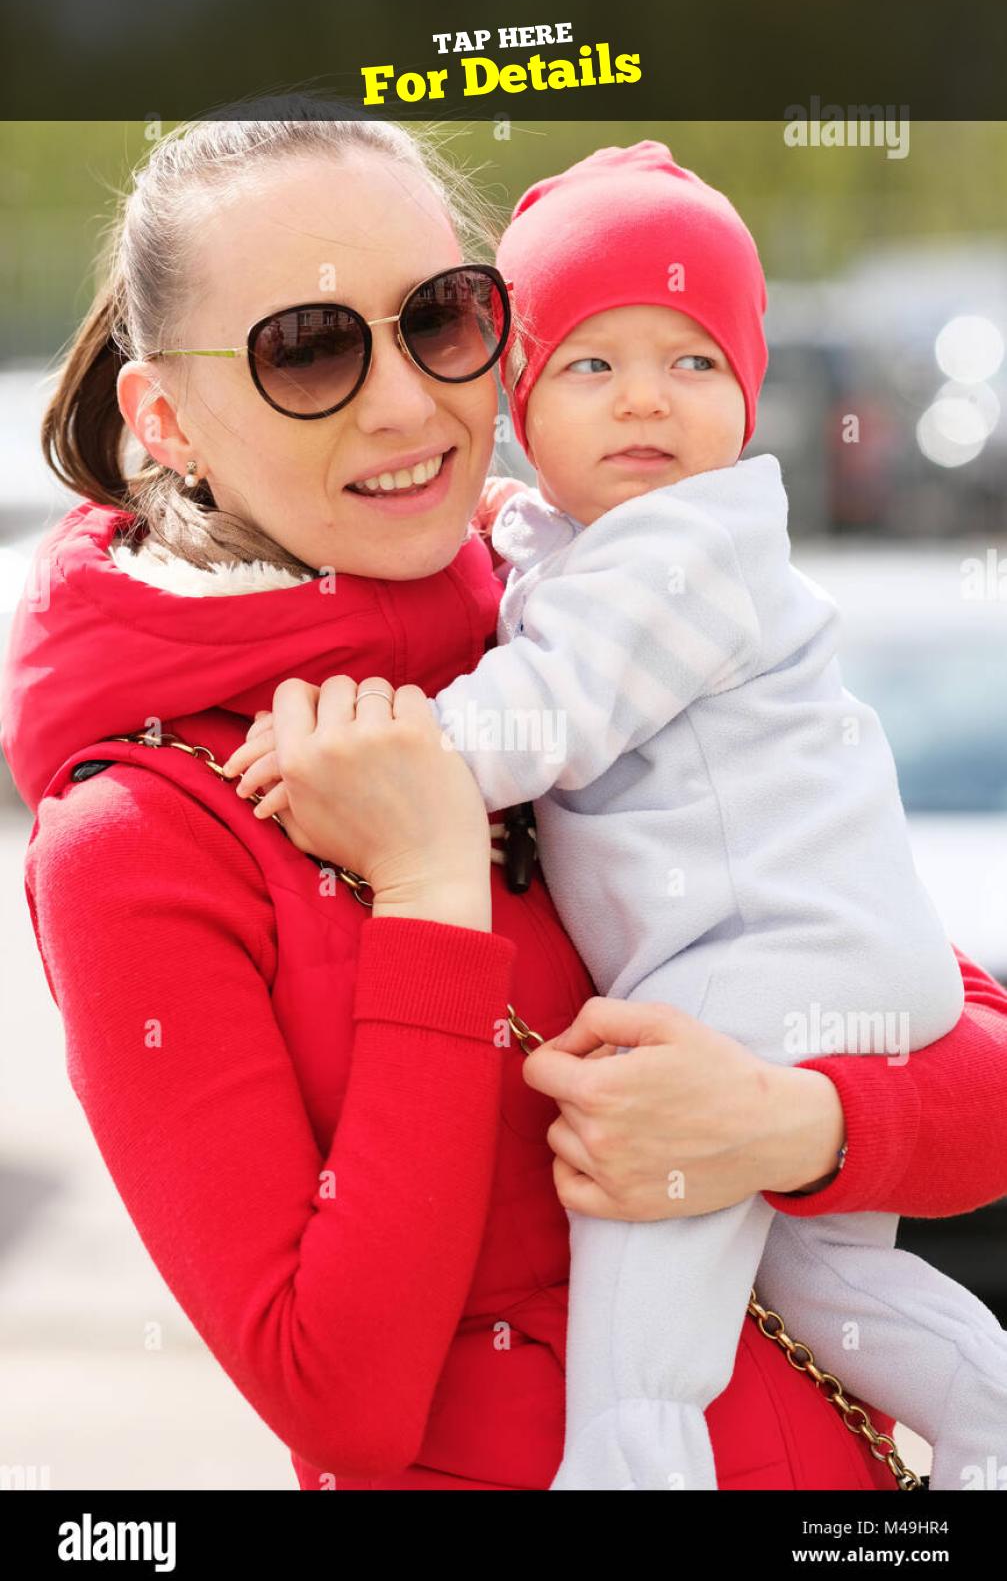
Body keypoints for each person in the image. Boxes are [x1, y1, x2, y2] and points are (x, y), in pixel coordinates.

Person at [3, 115, 1007, 1494]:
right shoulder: (141, 835)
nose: (410, 402)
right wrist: (428, 895)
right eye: (308, 348)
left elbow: (978, 1071)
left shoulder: (579, 624)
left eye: (442, 318)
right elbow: (339, 1398)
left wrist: (793, 1125)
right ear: (164, 417)